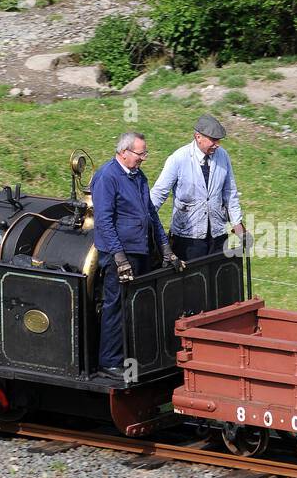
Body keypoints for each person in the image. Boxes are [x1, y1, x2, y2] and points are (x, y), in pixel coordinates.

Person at [91, 131, 181, 378]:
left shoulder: (139, 177)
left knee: (137, 306)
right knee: (116, 306)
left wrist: (165, 248)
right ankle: (109, 362)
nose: (143, 158)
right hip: (119, 255)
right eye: (140, 154)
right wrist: (119, 258)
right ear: (124, 152)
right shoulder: (107, 177)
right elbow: (104, 221)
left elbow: (151, 214)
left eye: (144, 153)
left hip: (140, 251)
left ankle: (133, 360)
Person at [150, 113, 246, 264]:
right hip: (187, 237)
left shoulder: (223, 156)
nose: (217, 144)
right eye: (213, 140)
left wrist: (237, 224)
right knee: (191, 284)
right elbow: (159, 193)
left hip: (217, 234)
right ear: (198, 137)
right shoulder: (178, 158)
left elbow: (230, 193)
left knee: (217, 279)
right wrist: (142, 220)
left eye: (218, 140)